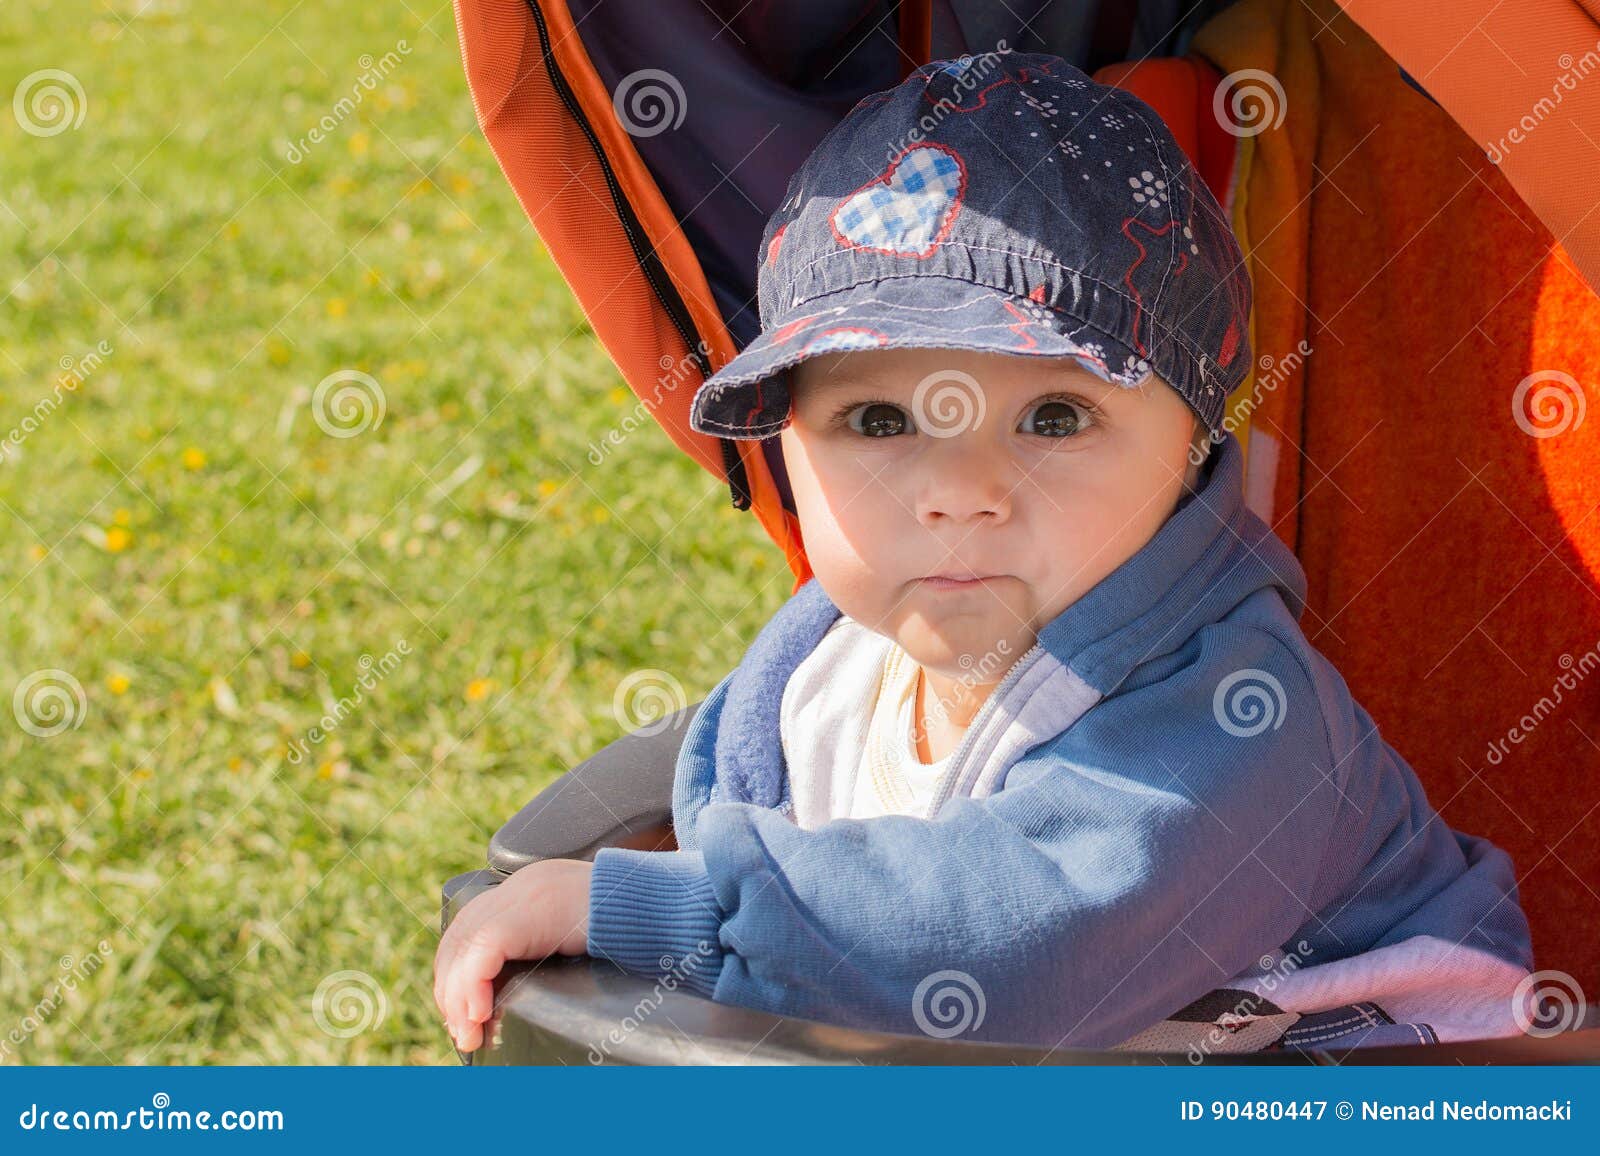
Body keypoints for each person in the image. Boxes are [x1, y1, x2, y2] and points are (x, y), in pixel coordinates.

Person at [435, 52, 1534, 1055]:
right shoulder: (814, 674)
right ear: (790, 448)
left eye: (1052, 418)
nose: (959, 493)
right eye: (876, 422)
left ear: (1192, 447)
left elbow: (1013, 940)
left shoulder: (1239, 718)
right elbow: (729, 815)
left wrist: (652, 910)